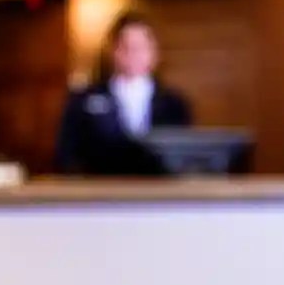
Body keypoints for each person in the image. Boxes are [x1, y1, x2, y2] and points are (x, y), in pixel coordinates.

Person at [54, 12, 192, 175]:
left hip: (158, 194)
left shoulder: (174, 103)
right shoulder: (83, 100)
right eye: (125, 47)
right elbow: (66, 155)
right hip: (98, 192)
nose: (133, 54)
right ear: (113, 51)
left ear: (154, 53)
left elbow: (184, 158)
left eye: (140, 47)